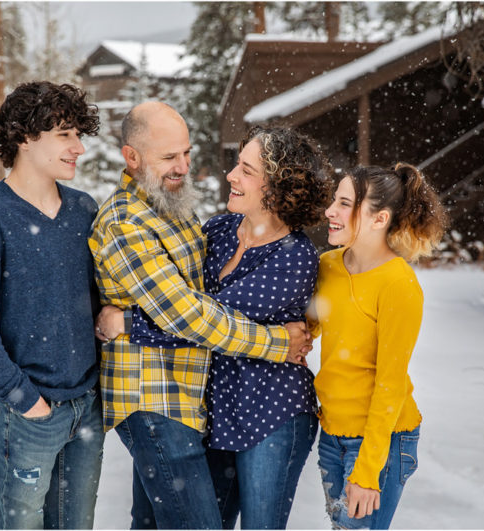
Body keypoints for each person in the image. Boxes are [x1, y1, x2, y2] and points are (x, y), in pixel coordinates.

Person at [88, 102, 312, 529]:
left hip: (202, 403)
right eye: (169, 157)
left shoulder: (176, 208)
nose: (183, 167)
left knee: (153, 524)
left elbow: (205, 302)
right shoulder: (126, 223)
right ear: (131, 157)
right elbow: (192, 316)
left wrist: (129, 323)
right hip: (154, 398)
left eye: (185, 153)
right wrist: (279, 342)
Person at [0, 81, 105, 529]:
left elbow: (95, 304)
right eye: (65, 135)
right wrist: (26, 400)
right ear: (24, 137)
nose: (78, 148)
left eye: (79, 135)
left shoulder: (83, 211)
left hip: (85, 408)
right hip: (26, 415)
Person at [309, 163, 448, 529]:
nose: (330, 212)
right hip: (333, 434)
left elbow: (390, 383)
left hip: (380, 442)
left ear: (378, 218)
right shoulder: (327, 267)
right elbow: (309, 327)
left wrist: (368, 471)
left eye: (344, 204)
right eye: (333, 202)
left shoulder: (398, 285)